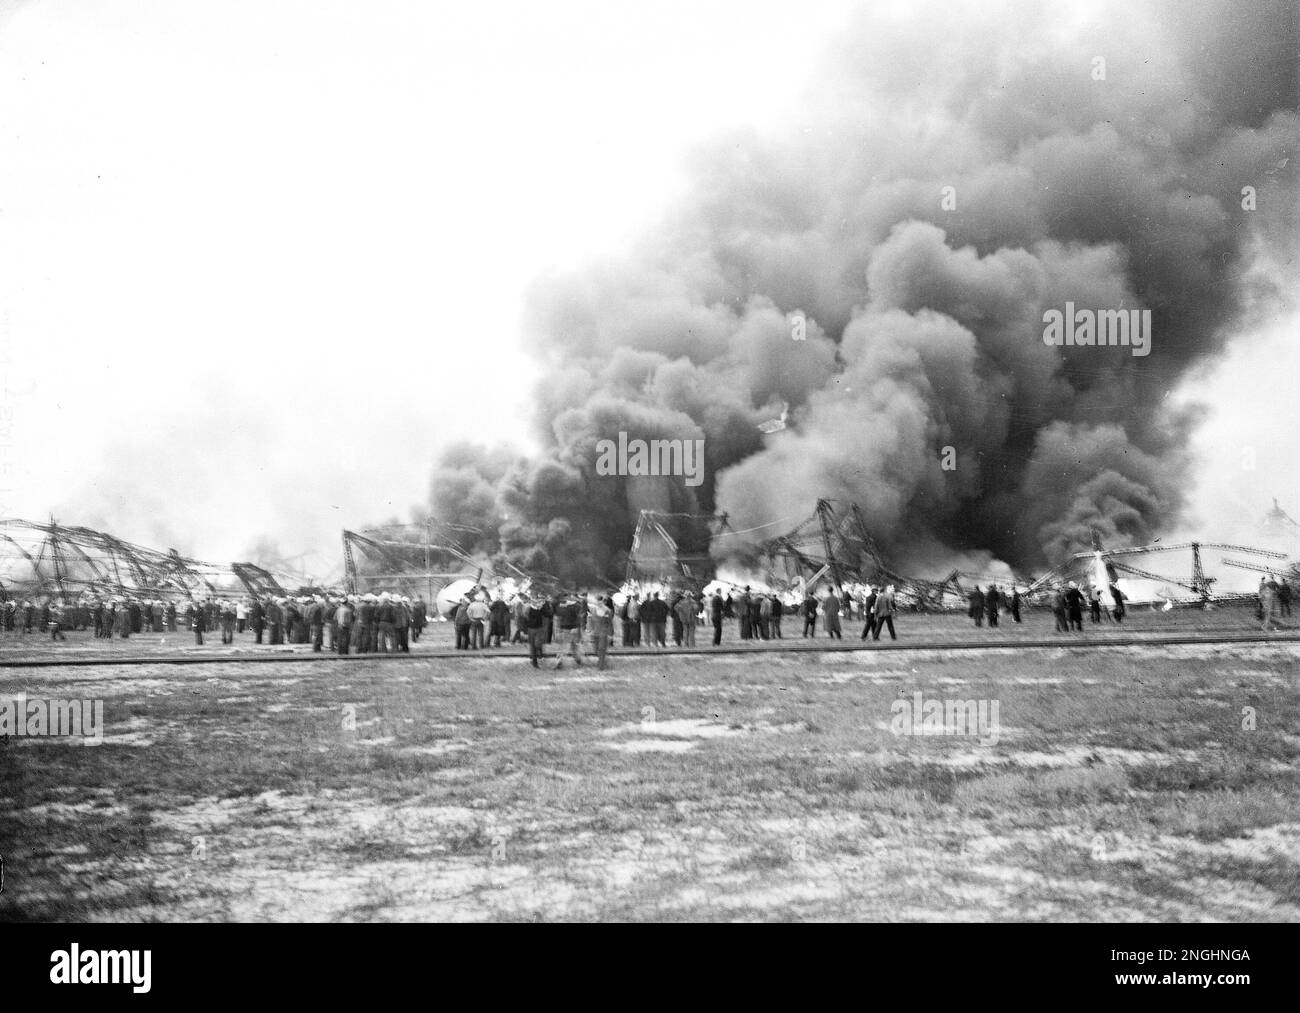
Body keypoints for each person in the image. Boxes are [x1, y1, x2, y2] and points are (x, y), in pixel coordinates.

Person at [553, 594, 584, 668]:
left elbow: (579, 616)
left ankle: (578, 659)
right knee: (563, 646)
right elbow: (558, 616)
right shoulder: (561, 606)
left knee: (574, 646)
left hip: (573, 628)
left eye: (565, 597)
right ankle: (559, 662)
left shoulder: (575, 605)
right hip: (565, 628)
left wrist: (576, 627)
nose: (563, 599)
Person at [524, 595, 551, 668]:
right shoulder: (528, 608)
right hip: (531, 629)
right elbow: (525, 617)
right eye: (535, 601)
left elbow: (548, 614)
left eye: (538, 601)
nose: (537, 602)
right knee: (533, 646)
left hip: (539, 629)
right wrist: (526, 628)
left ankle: (539, 654)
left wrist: (544, 606)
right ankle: (534, 662)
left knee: (537, 644)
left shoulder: (541, 608)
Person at [590, 595, 614, 669]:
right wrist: (590, 630)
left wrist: (610, 634)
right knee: (596, 650)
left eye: (599, 602)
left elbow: (610, 623)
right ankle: (604, 661)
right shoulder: (593, 610)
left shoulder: (608, 611)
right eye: (597, 602)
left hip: (604, 632)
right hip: (595, 632)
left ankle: (601, 666)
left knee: (602, 648)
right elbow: (591, 621)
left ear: (602, 602)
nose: (598, 604)